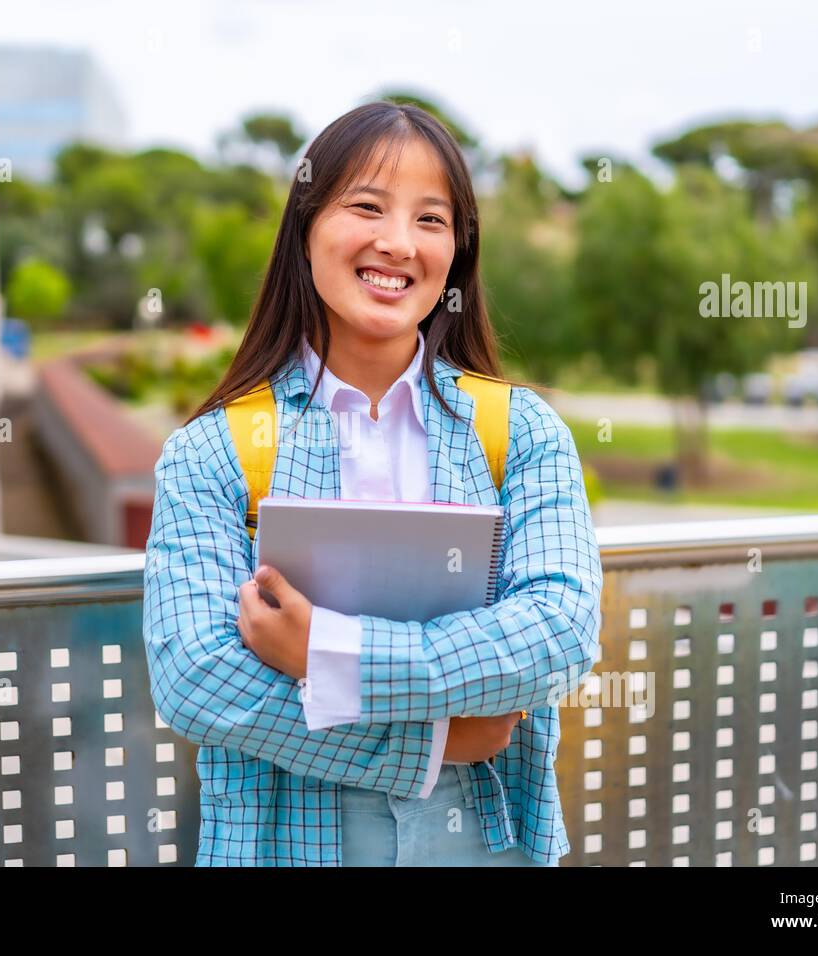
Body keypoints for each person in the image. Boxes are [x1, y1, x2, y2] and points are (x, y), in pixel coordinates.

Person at [143, 101, 603, 866]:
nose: (397, 243)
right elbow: (195, 676)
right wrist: (434, 740)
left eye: (431, 219)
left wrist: (329, 652)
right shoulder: (213, 452)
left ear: (458, 251)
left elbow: (559, 631)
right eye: (366, 206)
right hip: (281, 844)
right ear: (306, 227)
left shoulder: (520, 433)